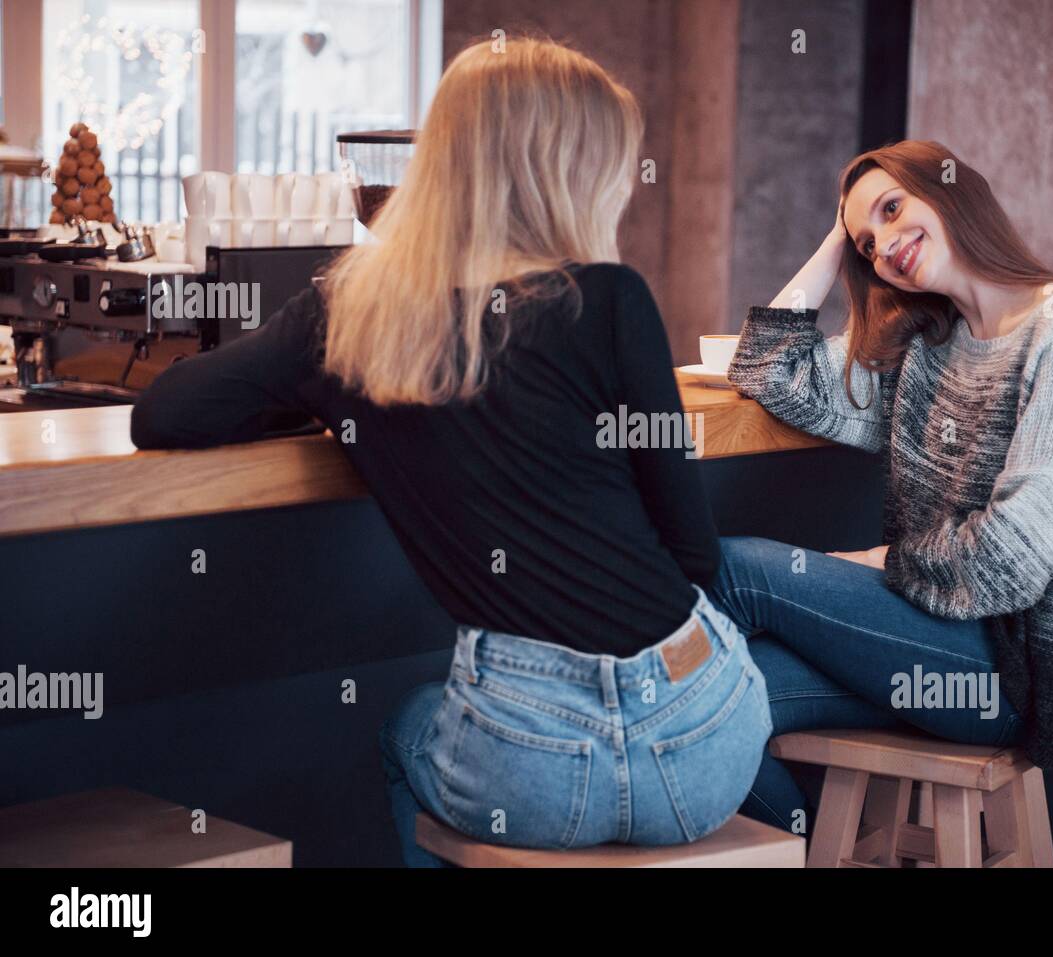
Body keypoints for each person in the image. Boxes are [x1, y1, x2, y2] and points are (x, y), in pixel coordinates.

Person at [130, 36, 772, 866]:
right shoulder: (613, 301)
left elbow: (165, 412)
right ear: (562, 173)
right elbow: (694, 553)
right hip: (704, 747)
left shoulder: (346, 322)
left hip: (526, 770)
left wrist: (310, 395)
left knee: (406, 727)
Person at [709, 140, 1053, 832]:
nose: (884, 245)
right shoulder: (925, 348)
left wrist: (877, 563)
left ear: (949, 189)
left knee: (734, 567)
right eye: (868, 243)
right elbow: (765, 367)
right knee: (709, 701)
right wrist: (838, 236)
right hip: (924, 640)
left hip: (1021, 671)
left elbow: (1009, 562)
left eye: (892, 207)